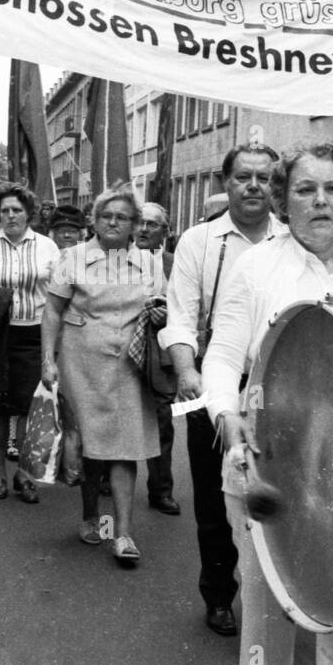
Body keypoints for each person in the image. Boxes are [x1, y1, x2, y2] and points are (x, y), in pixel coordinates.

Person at [205, 142, 333, 665]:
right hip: (269, 468)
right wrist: (226, 416)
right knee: (268, 627)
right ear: (283, 200)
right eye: (305, 189)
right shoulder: (255, 265)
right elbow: (221, 356)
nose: (320, 200)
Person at [160, 144, 287, 636]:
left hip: (279, 387)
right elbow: (180, 316)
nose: (253, 186)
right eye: (243, 177)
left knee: (276, 493)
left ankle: (280, 594)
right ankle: (219, 595)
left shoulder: (290, 239)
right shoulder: (200, 241)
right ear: (227, 183)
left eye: (263, 177)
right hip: (216, 387)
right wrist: (188, 372)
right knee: (216, 501)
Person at [43, 188, 168, 563]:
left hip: (129, 364)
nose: (114, 222)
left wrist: (161, 316)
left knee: (125, 447)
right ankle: (91, 516)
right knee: (90, 446)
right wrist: (47, 360)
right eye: (106, 216)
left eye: (123, 217)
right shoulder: (72, 258)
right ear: (93, 221)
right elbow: (52, 310)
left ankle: (124, 534)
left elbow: (159, 309)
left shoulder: (149, 263)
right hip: (82, 362)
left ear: (133, 225)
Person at [0, 182, 59, 502]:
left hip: (34, 332)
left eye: (17, 210)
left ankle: (23, 474)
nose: (10, 216)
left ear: (28, 214)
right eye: (5, 210)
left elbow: (57, 294)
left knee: (27, 407)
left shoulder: (47, 246)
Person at [135, 202, 180, 515]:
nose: (144, 229)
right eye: (140, 222)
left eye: (152, 224)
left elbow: (190, 308)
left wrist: (168, 314)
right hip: (123, 349)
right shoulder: (114, 260)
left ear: (165, 232)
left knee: (161, 422)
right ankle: (108, 479)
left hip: (161, 352)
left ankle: (161, 489)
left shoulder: (174, 264)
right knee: (115, 417)